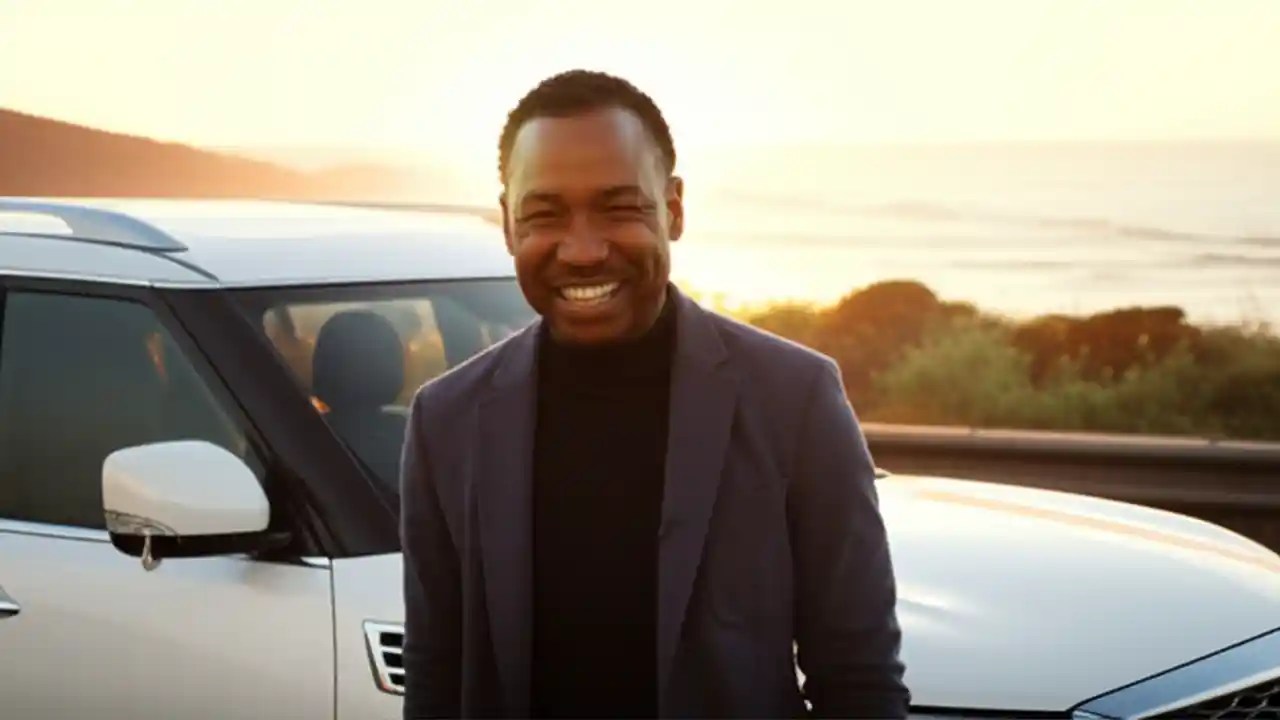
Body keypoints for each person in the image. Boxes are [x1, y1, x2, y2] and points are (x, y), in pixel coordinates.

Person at [399, 69, 910, 719]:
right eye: (545, 214)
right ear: (507, 223)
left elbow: (859, 680)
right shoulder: (448, 421)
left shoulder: (794, 401)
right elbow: (435, 679)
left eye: (619, 208)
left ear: (673, 207)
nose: (582, 251)